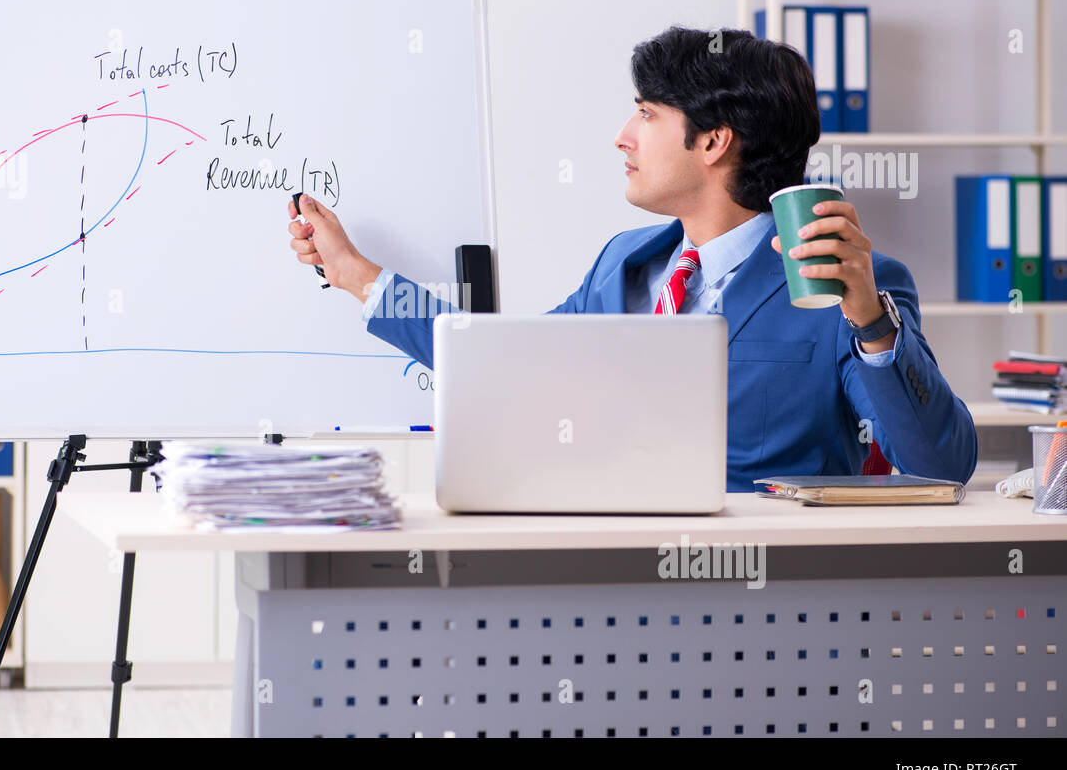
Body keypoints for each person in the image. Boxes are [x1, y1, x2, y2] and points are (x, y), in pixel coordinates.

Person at [286, 26, 978, 491]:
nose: (622, 136)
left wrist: (871, 323)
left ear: (713, 142)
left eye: (646, 114)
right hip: (601, 563)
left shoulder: (851, 287)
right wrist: (358, 277)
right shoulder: (622, 265)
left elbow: (939, 466)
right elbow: (497, 355)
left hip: (762, 595)